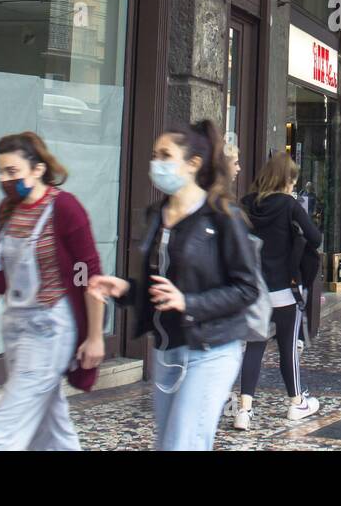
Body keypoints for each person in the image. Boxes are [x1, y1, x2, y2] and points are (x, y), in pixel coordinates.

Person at [90, 121, 260, 451]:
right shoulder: (157, 214)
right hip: (166, 351)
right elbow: (161, 289)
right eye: (155, 155)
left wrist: (190, 303)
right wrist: (125, 290)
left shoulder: (223, 216)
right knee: (168, 444)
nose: (156, 163)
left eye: (166, 155)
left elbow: (247, 289)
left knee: (183, 444)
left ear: (193, 163)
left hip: (210, 350)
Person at [0, 132, 105, 451]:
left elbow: (90, 274)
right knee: (51, 428)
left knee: (5, 428)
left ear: (37, 169)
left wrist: (95, 336)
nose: (5, 180)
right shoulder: (9, 209)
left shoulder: (65, 208)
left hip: (50, 330)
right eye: (1, 172)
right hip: (16, 327)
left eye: (12, 172)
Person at [233, 153, 322, 431]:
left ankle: (244, 410)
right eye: (293, 180)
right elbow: (315, 238)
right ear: (287, 179)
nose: (294, 186)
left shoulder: (247, 203)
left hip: (253, 287)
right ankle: (297, 402)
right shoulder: (289, 205)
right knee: (287, 348)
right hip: (285, 287)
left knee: (254, 347)